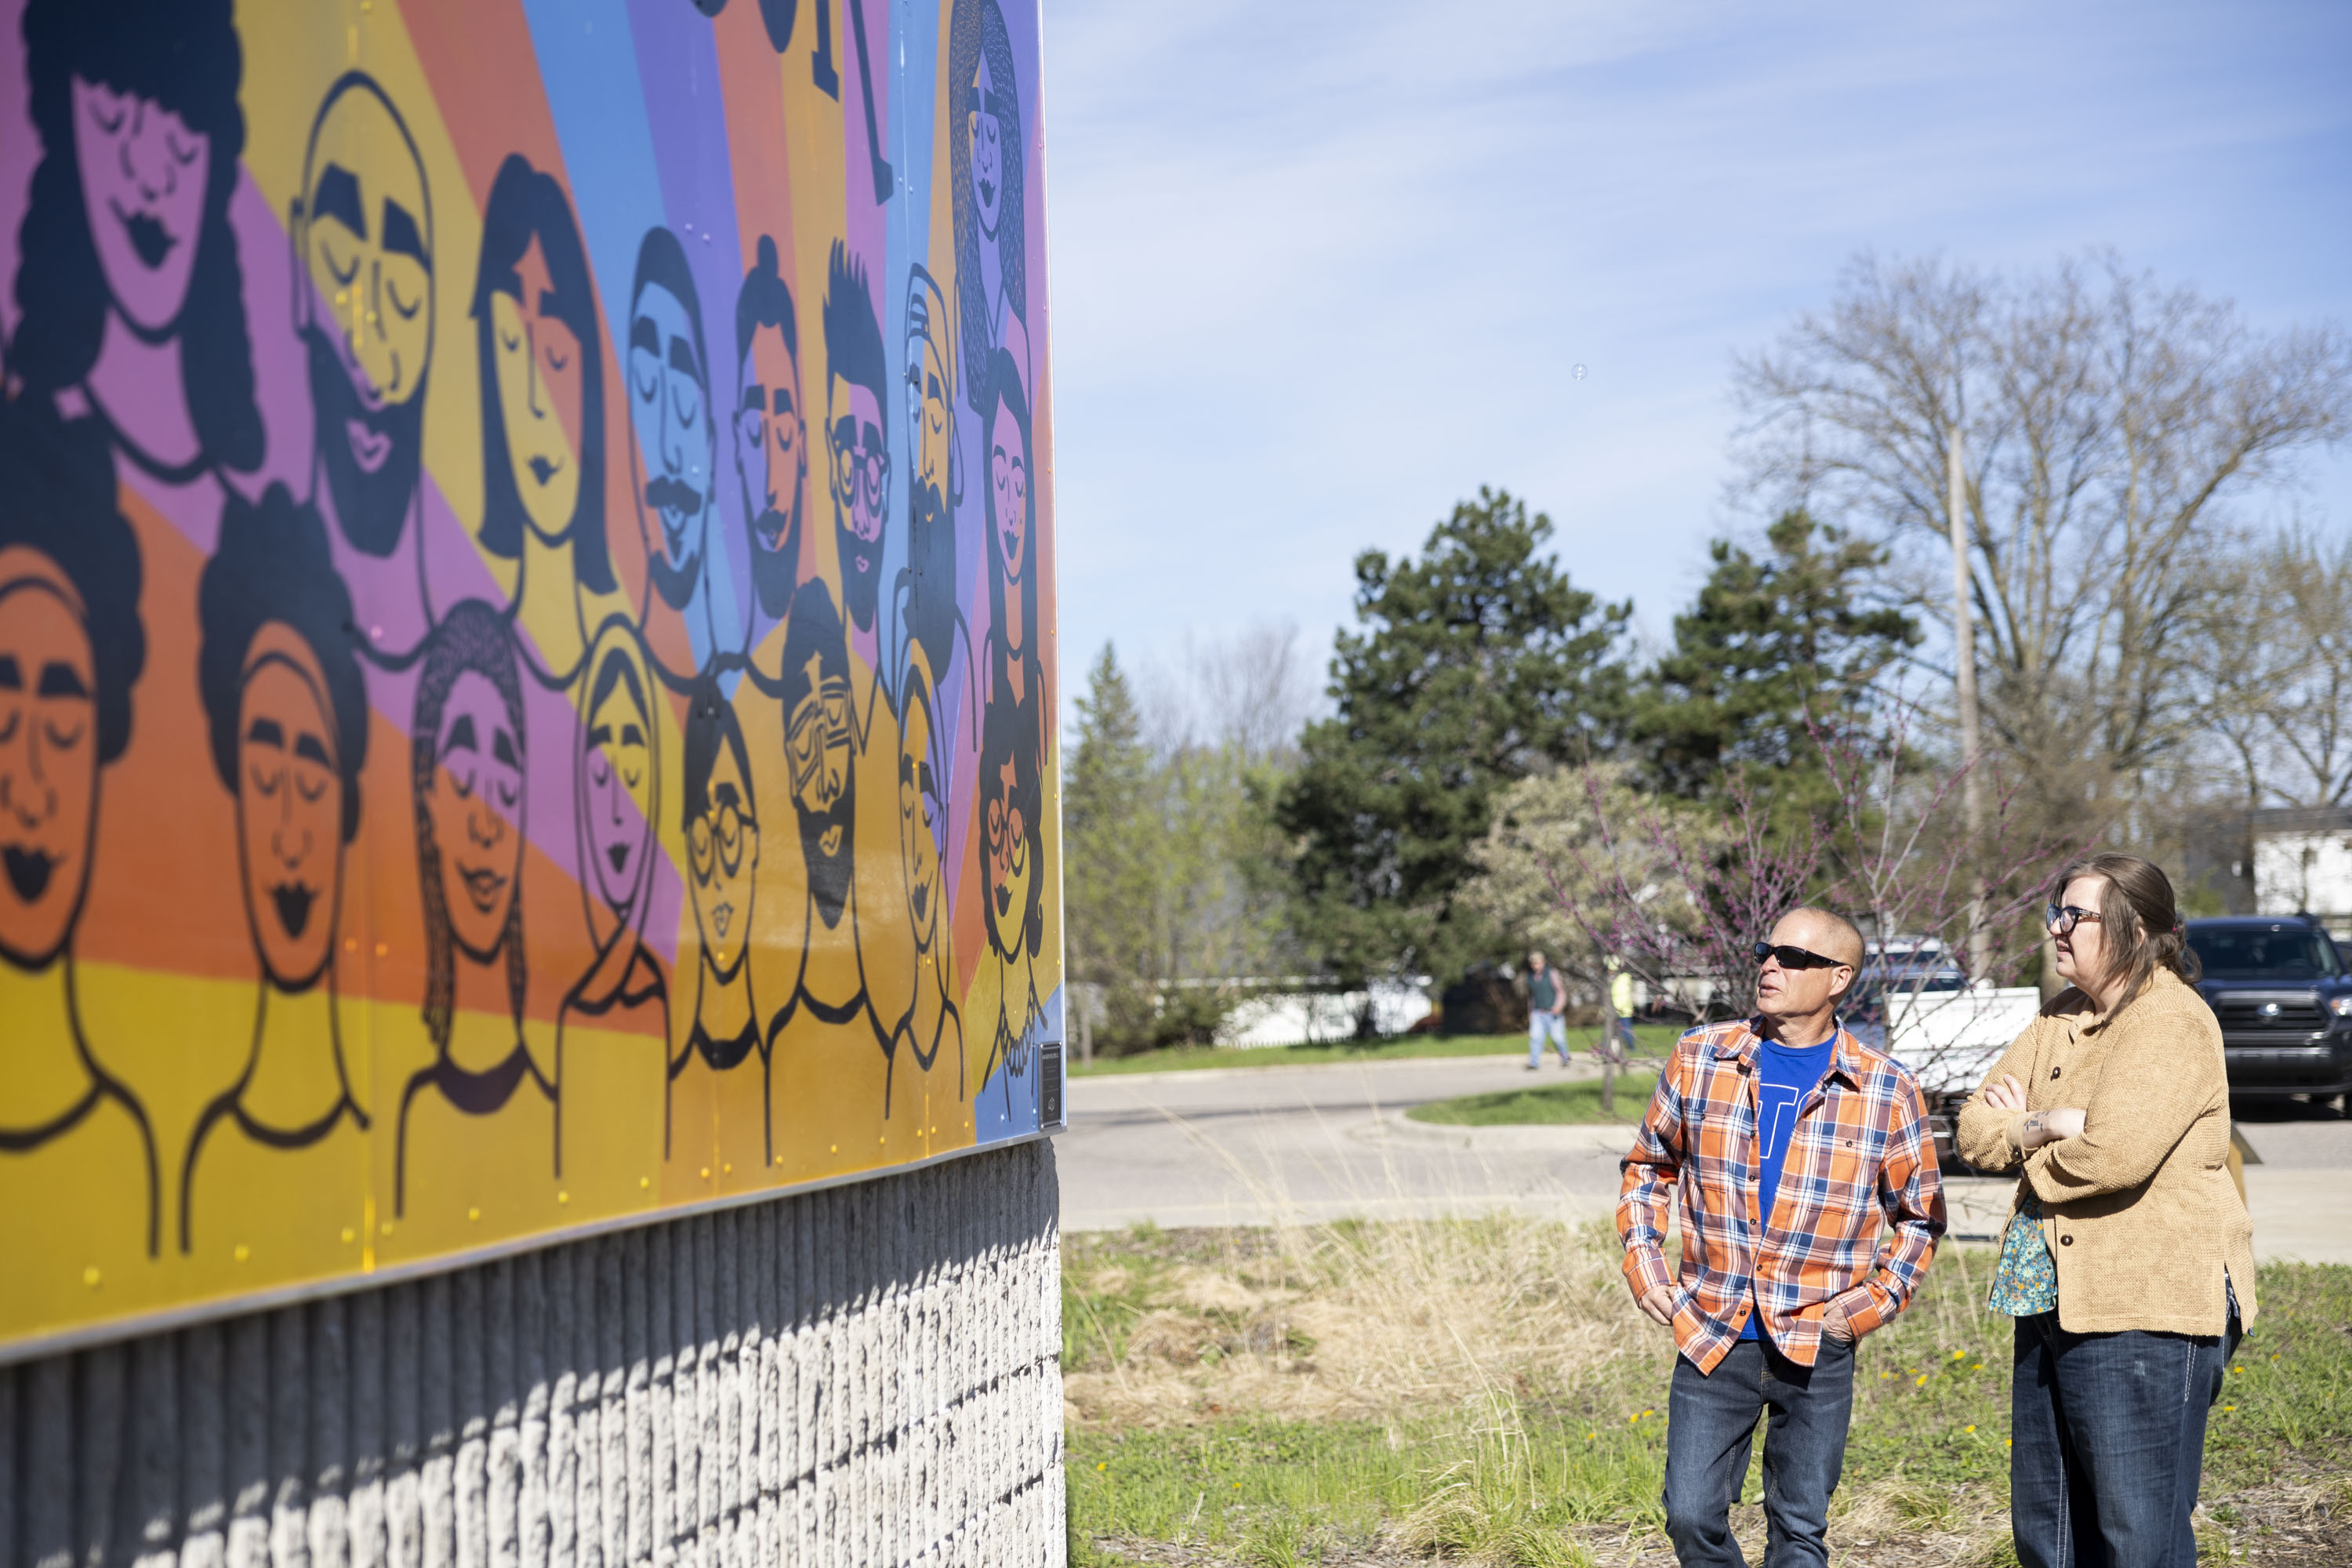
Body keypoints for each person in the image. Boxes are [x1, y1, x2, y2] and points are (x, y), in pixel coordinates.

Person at [1619, 908, 1945, 1568]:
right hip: (1713, 1328)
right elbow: (1648, 1168)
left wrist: (1856, 1314)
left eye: (1794, 958)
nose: (1770, 965)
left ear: (1839, 979)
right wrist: (1648, 1267)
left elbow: (1920, 1218)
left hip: (1817, 1340)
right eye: (1768, 951)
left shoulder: (1885, 1088)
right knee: (1689, 1515)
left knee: (1799, 1532)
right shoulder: (1701, 1056)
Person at [1956, 854, 2256, 1568]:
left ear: (2135, 928)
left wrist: (2024, 1129)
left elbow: (2113, 1156)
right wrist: (2052, 1120)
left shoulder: (2170, 1020)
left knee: (2136, 1535)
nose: (2055, 928)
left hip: (2145, 1303)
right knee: (2050, 1531)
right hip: (2050, 1295)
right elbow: (1972, 1131)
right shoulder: (2058, 1018)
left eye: (2074, 915)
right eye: (2055, 912)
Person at [1523, 949, 1569, 1069]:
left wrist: (1558, 1006)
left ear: (1543, 962)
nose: (1535, 965)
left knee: (1557, 1038)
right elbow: (1532, 996)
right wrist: (1530, 1012)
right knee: (1535, 1038)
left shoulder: (1552, 973)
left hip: (1552, 1012)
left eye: (1537, 963)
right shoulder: (1531, 977)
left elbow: (1561, 992)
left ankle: (1565, 1058)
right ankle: (1534, 1063)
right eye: (1533, 963)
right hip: (1538, 1013)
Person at [1606, 961, 1639, 1063]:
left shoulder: (1622, 980)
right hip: (1617, 1009)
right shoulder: (1618, 980)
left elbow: (1623, 996)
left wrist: (1618, 1007)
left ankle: (1631, 1047)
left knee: (1625, 1030)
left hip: (1622, 1010)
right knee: (1615, 1031)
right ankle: (1609, 1049)